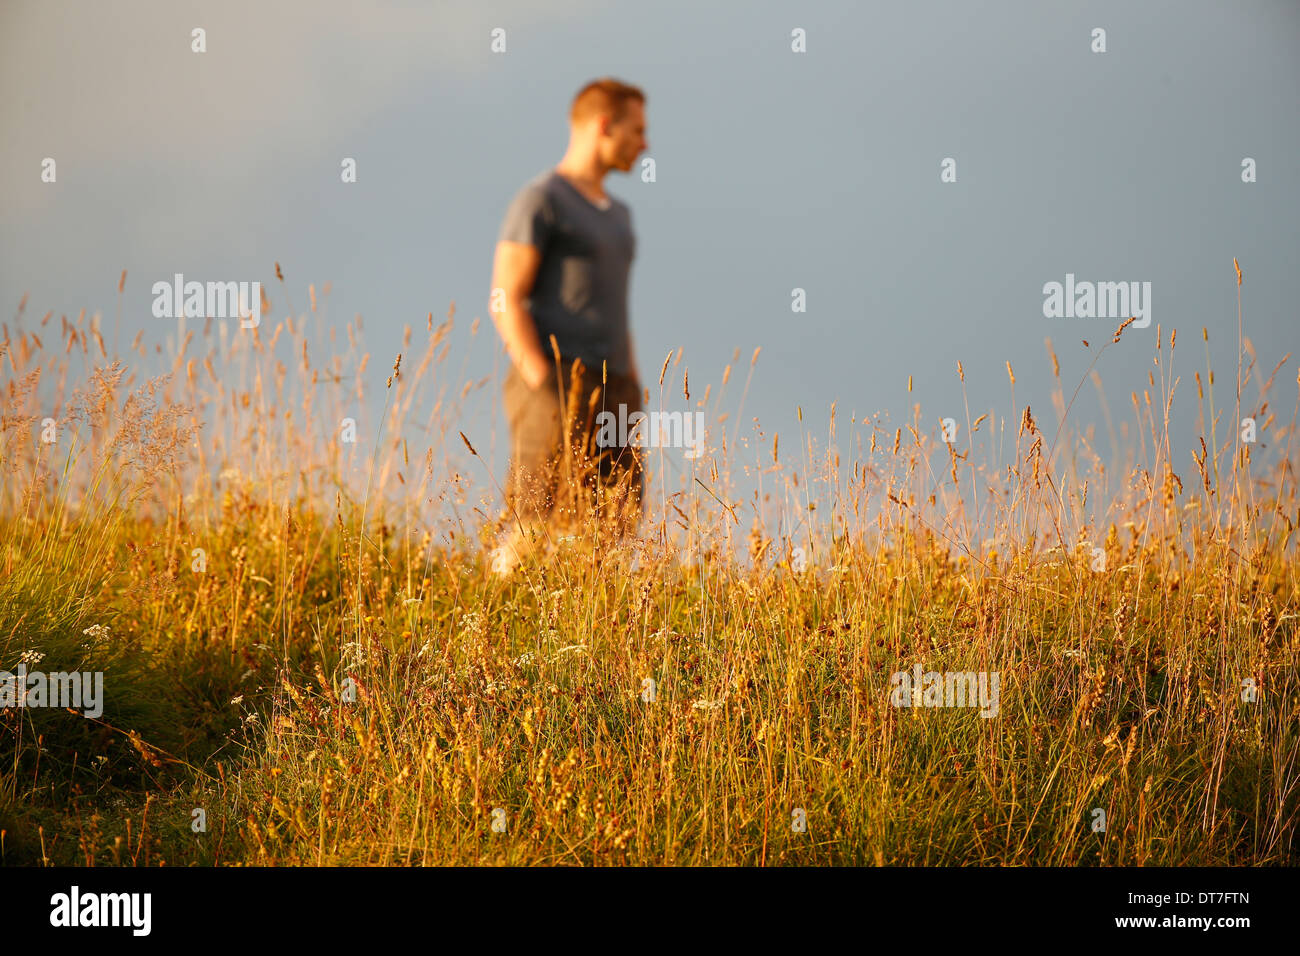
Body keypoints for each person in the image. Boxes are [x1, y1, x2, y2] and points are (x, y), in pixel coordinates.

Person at [487, 78, 649, 576]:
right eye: (637, 130)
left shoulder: (619, 214)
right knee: (532, 521)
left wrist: (634, 385)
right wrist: (542, 382)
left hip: (617, 388)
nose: (645, 144)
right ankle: (495, 621)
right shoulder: (542, 201)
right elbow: (503, 298)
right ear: (605, 125)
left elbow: (614, 305)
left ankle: (599, 639)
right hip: (554, 383)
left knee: (617, 525)